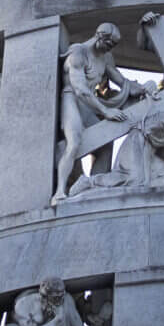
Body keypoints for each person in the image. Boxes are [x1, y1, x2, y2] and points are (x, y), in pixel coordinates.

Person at [52, 23, 145, 202]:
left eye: (112, 46)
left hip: (88, 105)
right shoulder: (78, 53)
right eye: (108, 44)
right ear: (99, 37)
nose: (109, 48)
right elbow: (80, 89)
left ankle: (92, 187)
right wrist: (106, 111)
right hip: (71, 99)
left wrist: (143, 89)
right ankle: (59, 191)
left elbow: (122, 81)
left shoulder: (105, 57)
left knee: (105, 143)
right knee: (74, 142)